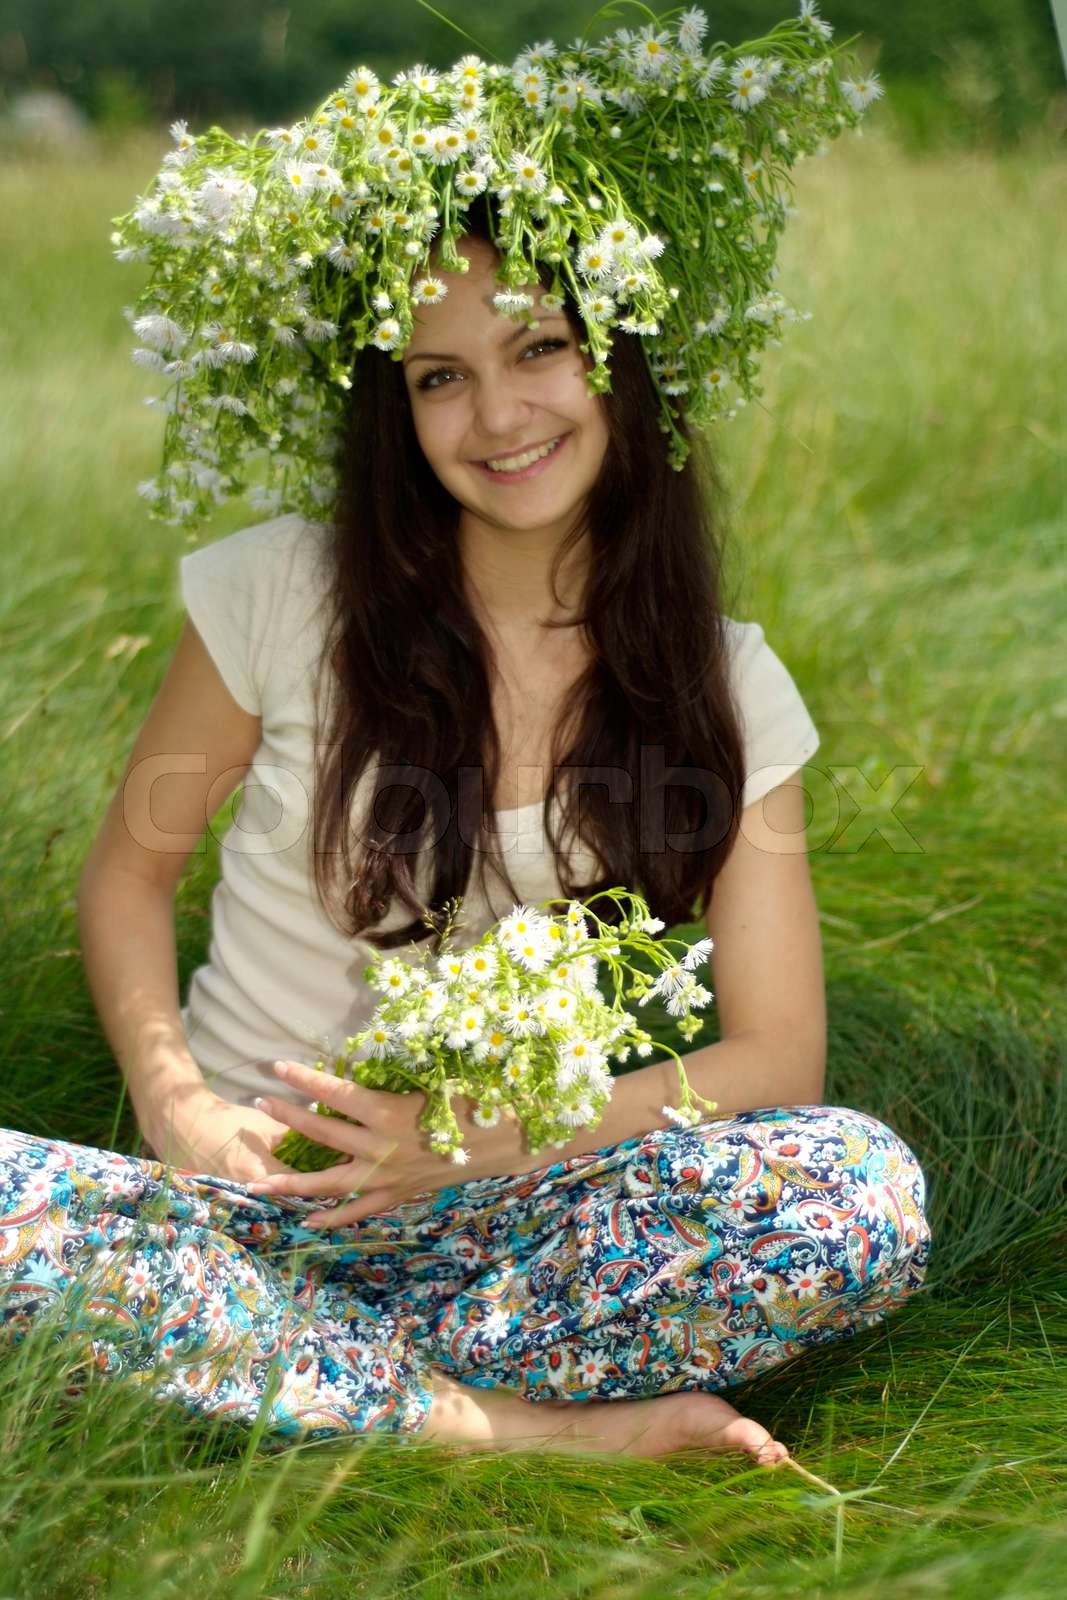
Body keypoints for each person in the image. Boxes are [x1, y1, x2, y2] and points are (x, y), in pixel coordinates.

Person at [1, 15, 925, 1463]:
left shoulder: (731, 688)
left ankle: (251, 1368)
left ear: (618, 359)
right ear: (398, 407)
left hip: (509, 1218)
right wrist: (175, 1106)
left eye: (538, 347)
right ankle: (507, 1429)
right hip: (239, 1199)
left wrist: (495, 1144)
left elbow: (776, 1057)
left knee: (861, 1193)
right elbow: (127, 880)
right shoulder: (277, 591)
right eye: (438, 376)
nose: (497, 416)